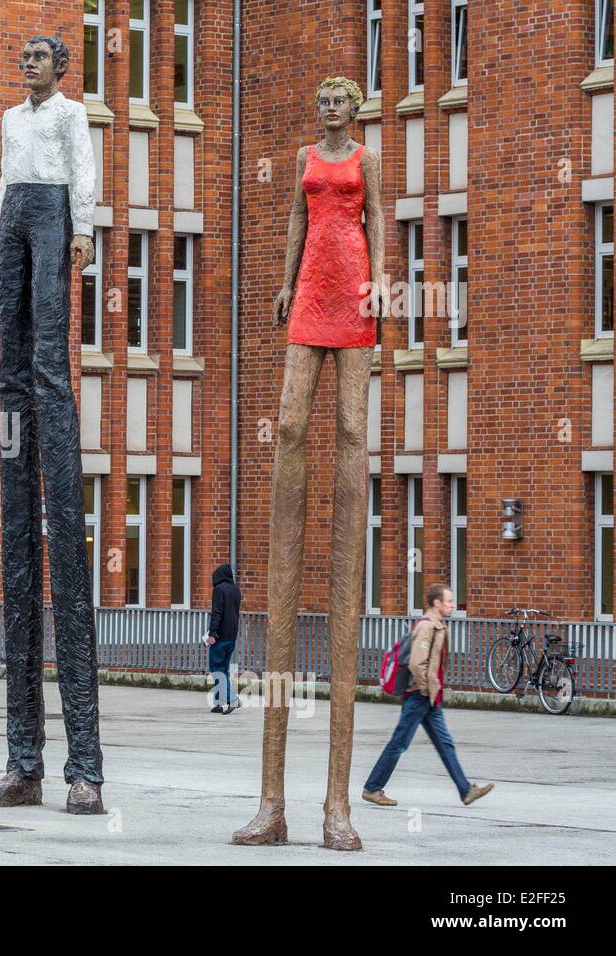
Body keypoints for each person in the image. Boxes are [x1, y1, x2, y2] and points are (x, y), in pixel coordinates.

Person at [233, 76, 387, 852]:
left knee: (353, 433)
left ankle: (337, 808)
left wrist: (384, 284)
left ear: (353, 111)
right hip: (311, 291)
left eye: (336, 100)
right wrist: (285, 281)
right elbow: (296, 218)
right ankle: (273, 804)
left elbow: (381, 220)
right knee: (291, 422)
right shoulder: (302, 159)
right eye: (320, 99)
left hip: (353, 288)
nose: (326, 108)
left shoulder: (368, 158)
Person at [0, 34, 104, 815]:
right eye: (22, 56)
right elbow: (0, 180)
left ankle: (83, 769)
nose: (26, 64)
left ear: (61, 67)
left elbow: (82, 174)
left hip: (54, 208)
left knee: (49, 363)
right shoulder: (11, 122)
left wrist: (84, 228)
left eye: (38, 56)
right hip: (18, 209)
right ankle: (25, 764)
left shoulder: (70, 116)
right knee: (12, 377)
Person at [360, 583, 494, 807]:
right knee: (399, 744)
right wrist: (425, 688)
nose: (453, 605)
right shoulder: (427, 627)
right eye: (449, 601)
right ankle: (372, 788)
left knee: (444, 744)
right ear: (437, 603)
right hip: (419, 696)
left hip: (428, 697)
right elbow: (416, 663)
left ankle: (465, 790)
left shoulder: (437, 625)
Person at [206, 564, 242, 714]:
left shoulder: (219, 590)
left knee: (216, 669)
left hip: (220, 637)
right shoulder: (236, 590)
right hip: (232, 636)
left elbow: (217, 613)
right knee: (223, 670)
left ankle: (232, 699)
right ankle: (220, 702)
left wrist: (212, 634)